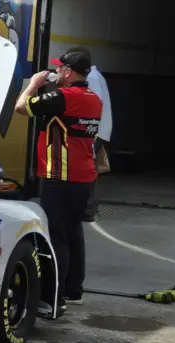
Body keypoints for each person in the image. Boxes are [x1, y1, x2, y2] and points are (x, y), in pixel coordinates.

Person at [14, 51, 102, 313]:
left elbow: (21, 107)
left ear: (68, 72)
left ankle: (54, 297)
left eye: (60, 69)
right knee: (74, 233)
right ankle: (74, 291)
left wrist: (34, 83)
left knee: (56, 236)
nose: (57, 72)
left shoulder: (64, 97)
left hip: (59, 177)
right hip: (84, 176)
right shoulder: (93, 98)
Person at [66, 47, 112, 222]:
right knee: (89, 170)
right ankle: (89, 208)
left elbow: (92, 104)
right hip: (98, 131)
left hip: (93, 131)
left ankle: (88, 209)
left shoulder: (91, 78)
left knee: (87, 171)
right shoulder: (96, 76)